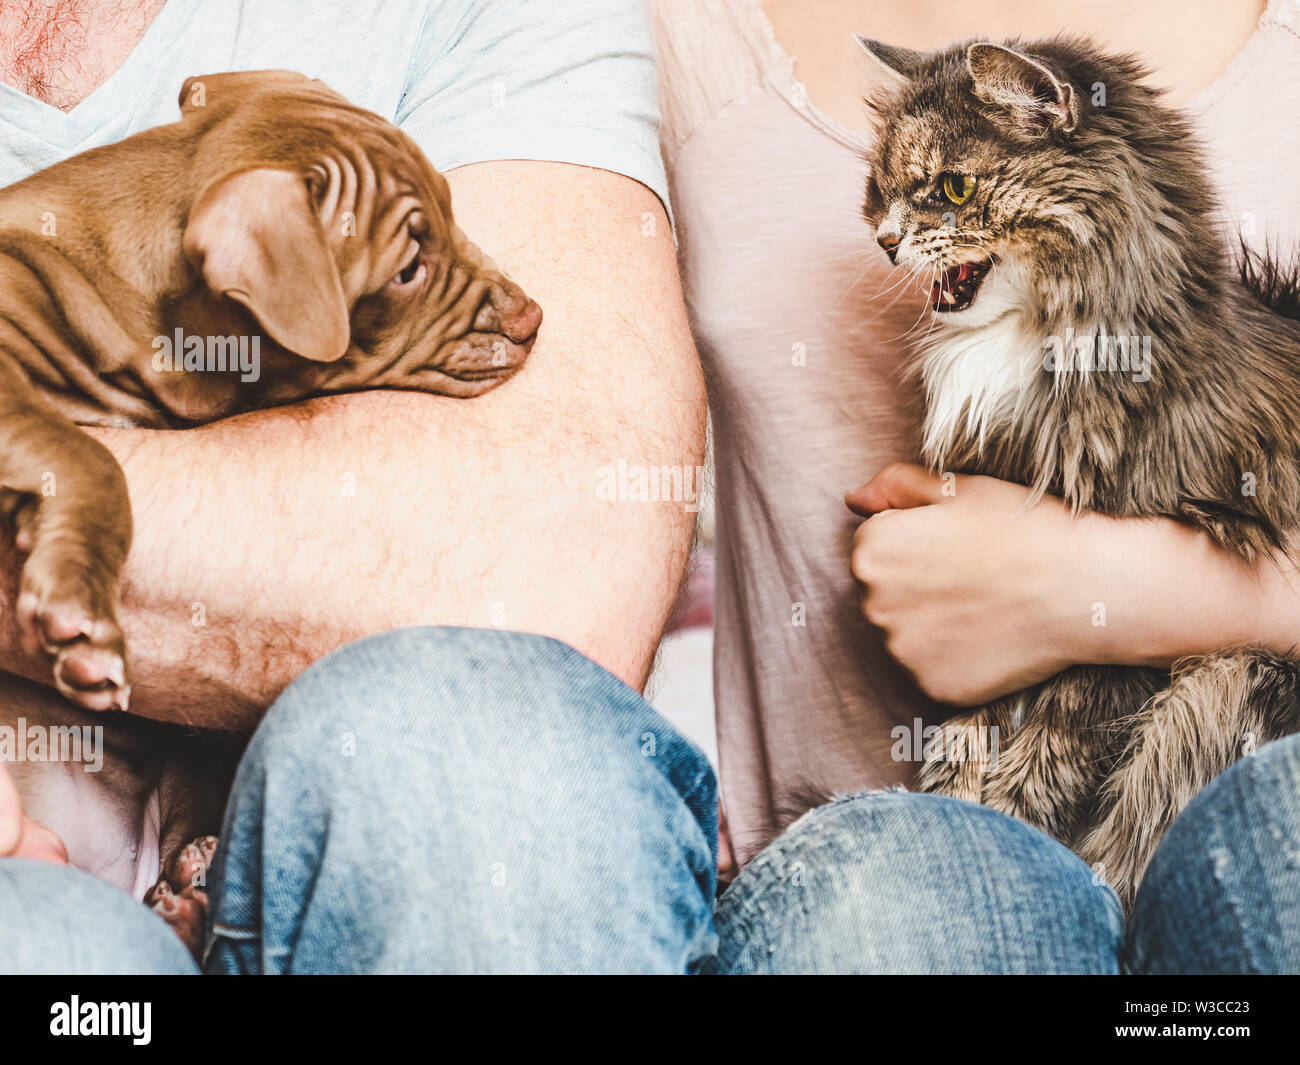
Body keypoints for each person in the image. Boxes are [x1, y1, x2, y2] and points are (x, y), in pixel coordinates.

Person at [0, 0, 714, 974]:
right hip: (50, 859)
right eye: (416, 264)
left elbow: (537, 585)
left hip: (320, 836)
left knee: (487, 747)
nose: (508, 306)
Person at [653, 0, 1300, 971]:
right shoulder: (679, 38)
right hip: (893, 878)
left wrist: (1104, 592)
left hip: (1255, 788)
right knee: (904, 897)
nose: (893, 238)